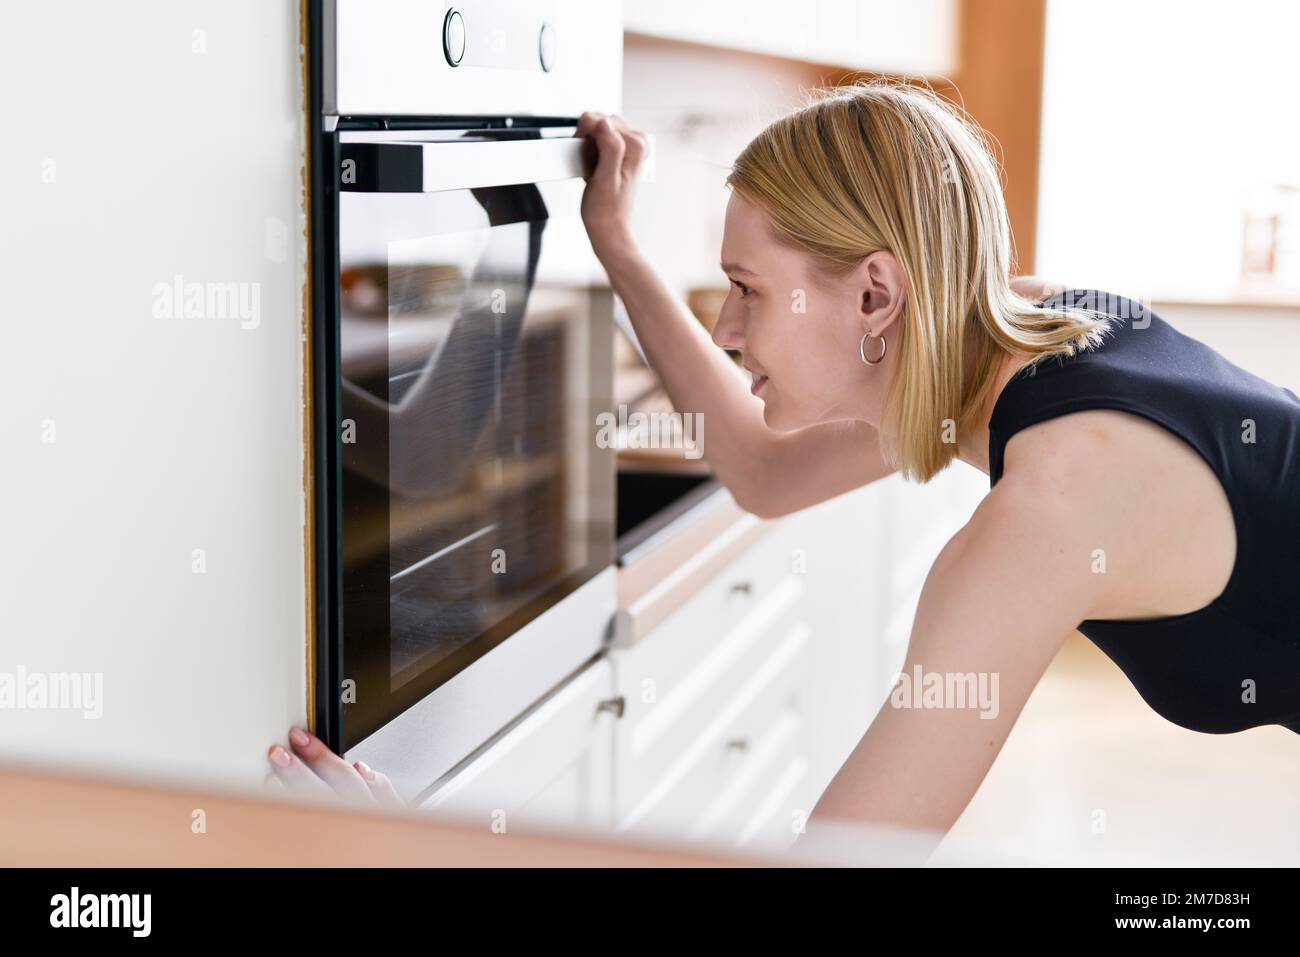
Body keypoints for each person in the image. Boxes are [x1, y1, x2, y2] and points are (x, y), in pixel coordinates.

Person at [270, 81, 1300, 854]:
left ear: (873, 297)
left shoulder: (1046, 513)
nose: (724, 328)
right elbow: (763, 471)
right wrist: (616, 246)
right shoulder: (1012, 327)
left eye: (745, 289)